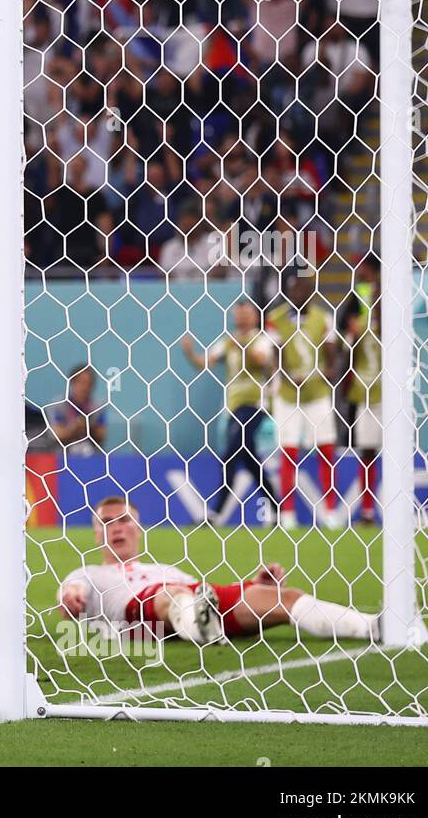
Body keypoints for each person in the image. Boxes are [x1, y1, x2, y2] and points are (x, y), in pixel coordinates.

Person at [57, 496, 379, 645]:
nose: (117, 527)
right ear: (97, 532)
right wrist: (69, 598)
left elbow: (209, 592)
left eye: (125, 520)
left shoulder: (163, 568)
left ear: (139, 527)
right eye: (107, 522)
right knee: (172, 593)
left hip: (196, 599)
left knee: (283, 597)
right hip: (139, 614)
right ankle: (198, 627)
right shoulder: (88, 574)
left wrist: (252, 584)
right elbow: (70, 594)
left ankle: (371, 626)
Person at [181, 300, 280, 525]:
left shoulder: (262, 339)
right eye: (239, 314)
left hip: (256, 403)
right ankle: (277, 508)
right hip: (234, 407)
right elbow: (203, 363)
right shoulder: (228, 342)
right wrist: (189, 352)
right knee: (250, 459)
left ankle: (216, 514)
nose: (242, 318)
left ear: (255, 317)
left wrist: (241, 345)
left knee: (231, 455)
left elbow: (261, 360)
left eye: (246, 314)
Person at [267, 273, 341, 529]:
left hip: (316, 393)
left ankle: (330, 511)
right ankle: (287, 513)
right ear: (287, 291)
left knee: (326, 450)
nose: (298, 293)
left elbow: (332, 353)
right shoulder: (275, 319)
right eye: (294, 289)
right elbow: (275, 356)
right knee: (288, 452)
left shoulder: (324, 317)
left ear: (312, 291)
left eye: (303, 288)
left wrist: (331, 369)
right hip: (288, 396)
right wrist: (287, 378)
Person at [344, 278, 381, 525]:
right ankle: (367, 512)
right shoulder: (361, 326)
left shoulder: (397, 325)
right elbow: (346, 354)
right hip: (365, 394)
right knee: (367, 451)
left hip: (392, 395)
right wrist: (354, 335)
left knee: (397, 451)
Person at [48, 364, 107, 455]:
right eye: (82, 382)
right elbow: (56, 434)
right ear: (72, 382)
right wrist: (73, 429)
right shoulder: (58, 405)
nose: (85, 387)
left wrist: (88, 427)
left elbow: (101, 435)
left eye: (89, 383)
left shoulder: (97, 407)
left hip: (91, 455)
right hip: (62, 456)